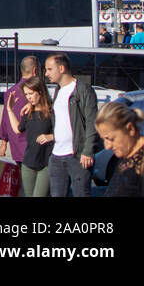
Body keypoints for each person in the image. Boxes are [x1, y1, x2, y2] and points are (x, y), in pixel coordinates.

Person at [43, 53, 98, 197]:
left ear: (61, 68)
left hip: (77, 155)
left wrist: (88, 151)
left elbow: (92, 122)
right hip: (56, 156)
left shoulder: (83, 89)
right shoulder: (57, 91)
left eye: (49, 69)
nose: (46, 73)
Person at [97, 101, 144, 196]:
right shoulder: (128, 154)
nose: (107, 146)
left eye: (110, 139)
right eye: (103, 139)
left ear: (130, 129)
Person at [10, 76, 53, 197]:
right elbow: (18, 129)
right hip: (28, 163)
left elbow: (64, 132)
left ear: (40, 91)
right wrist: (9, 110)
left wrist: (51, 136)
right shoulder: (29, 111)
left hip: (46, 163)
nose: (28, 97)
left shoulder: (52, 110)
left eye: (31, 93)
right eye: (26, 94)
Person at [0, 55, 40, 164]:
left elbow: (5, 119)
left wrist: (3, 144)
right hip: (35, 145)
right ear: (35, 70)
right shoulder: (37, 90)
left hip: (16, 145)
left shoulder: (11, 92)